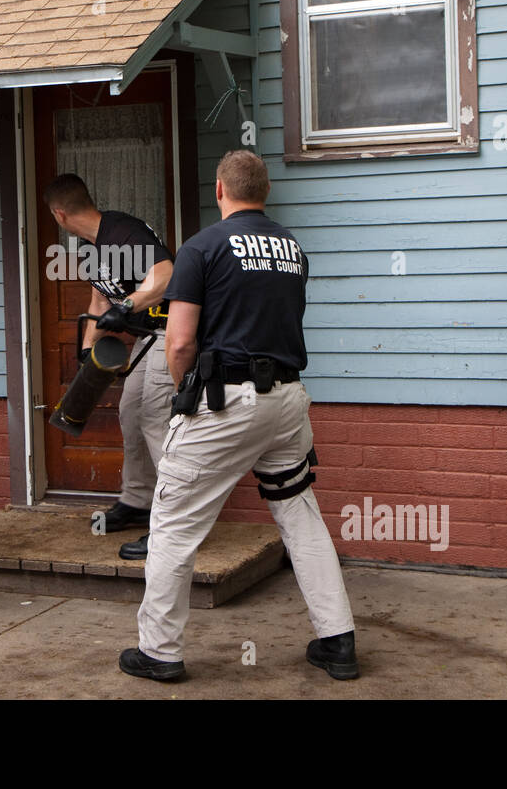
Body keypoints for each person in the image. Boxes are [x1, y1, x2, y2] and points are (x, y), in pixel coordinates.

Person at [120, 150, 358, 682]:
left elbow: (179, 342)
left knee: (174, 526)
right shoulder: (292, 248)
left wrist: (187, 394)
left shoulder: (201, 246)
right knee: (300, 516)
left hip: (226, 402)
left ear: (221, 190)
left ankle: (158, 652)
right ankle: (338, 642)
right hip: (288, 404)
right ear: (265, 191)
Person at [43, 174, 175, 547]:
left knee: (154, 418)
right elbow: (99, 303)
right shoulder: (89, 248)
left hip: (174, 331)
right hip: (146, 339)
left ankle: (173, 519)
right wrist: (88, 348)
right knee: (130, 413)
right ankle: (137, 500)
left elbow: (166, 274)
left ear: (59, 213)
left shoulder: (123, 231)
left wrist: (129, 306)